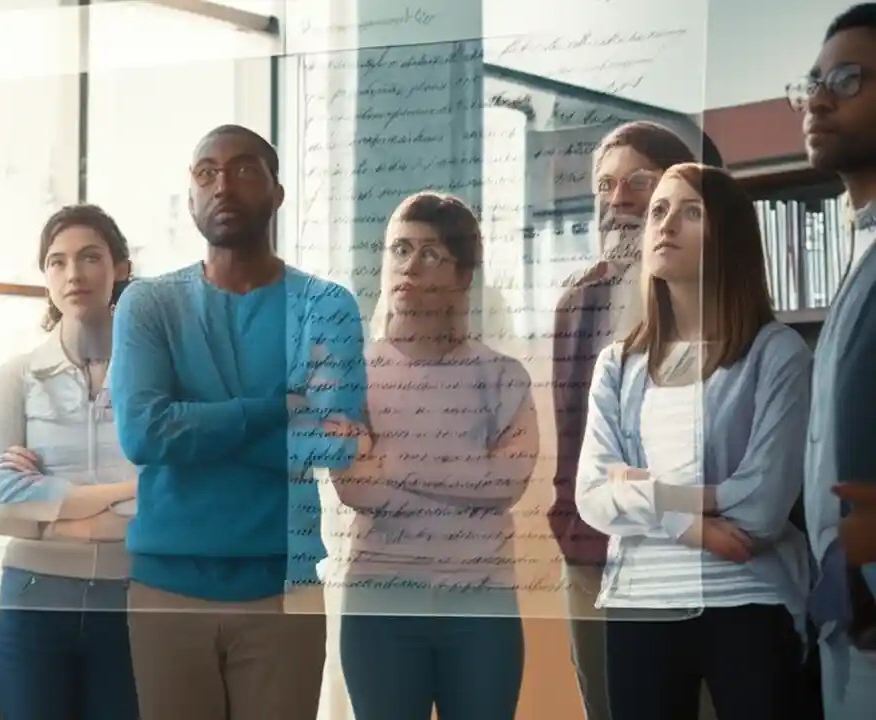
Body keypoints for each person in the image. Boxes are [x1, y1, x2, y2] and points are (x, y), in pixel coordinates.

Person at [110, 124, 368, 720]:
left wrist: (196, 430)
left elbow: (333, 445)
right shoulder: (149, 303)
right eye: (206, 173)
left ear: (278, 192)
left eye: (244, 169)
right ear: (191, 195)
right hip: (167, 589)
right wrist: (273, 407)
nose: (223, 184)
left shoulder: (325, 305)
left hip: (285, 586)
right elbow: (144, 435)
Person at [574, 163, 811, 720]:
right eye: (659, 210)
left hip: (749, 604)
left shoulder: (776, 353)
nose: (666, 224)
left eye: (691, 212)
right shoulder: (618, 364)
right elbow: (593, 495)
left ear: (726, 237)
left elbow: (761, 508)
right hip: (640, 605)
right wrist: (692, 517)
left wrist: (646, 491)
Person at [329, 192, 538, 720]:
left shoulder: (503, 375)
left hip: (482, 608)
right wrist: (467, 474)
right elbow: (356, 487)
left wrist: (393, 463)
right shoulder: (352, 373)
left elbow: (505, 485)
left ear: (465, 274)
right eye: (399, 249)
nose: (408, 266)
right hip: (381, 605)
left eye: (430, 254)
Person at [548, 119, 722, 720]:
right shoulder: (576, 303)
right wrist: (569, 531)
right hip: (593, 557)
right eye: (605, 185)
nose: (617, 200)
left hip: (694, 558)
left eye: (637, 183)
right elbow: (571, 440)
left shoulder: (716, 301)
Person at [0, 204, 138, 720]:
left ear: (119, 268)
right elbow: (6, 511)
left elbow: (171, 497)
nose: (73, 273)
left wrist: (51, 505)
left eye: (90, 257)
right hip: (32, 603)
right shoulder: (16, 377)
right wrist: (124, 493)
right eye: (57, 261)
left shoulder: (156, 374)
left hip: (131, 601)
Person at [793, 4, 876, 715]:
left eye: (848, 79)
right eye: (814, 81)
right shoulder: (861, 251)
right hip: (848, 608)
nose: (817, 99)